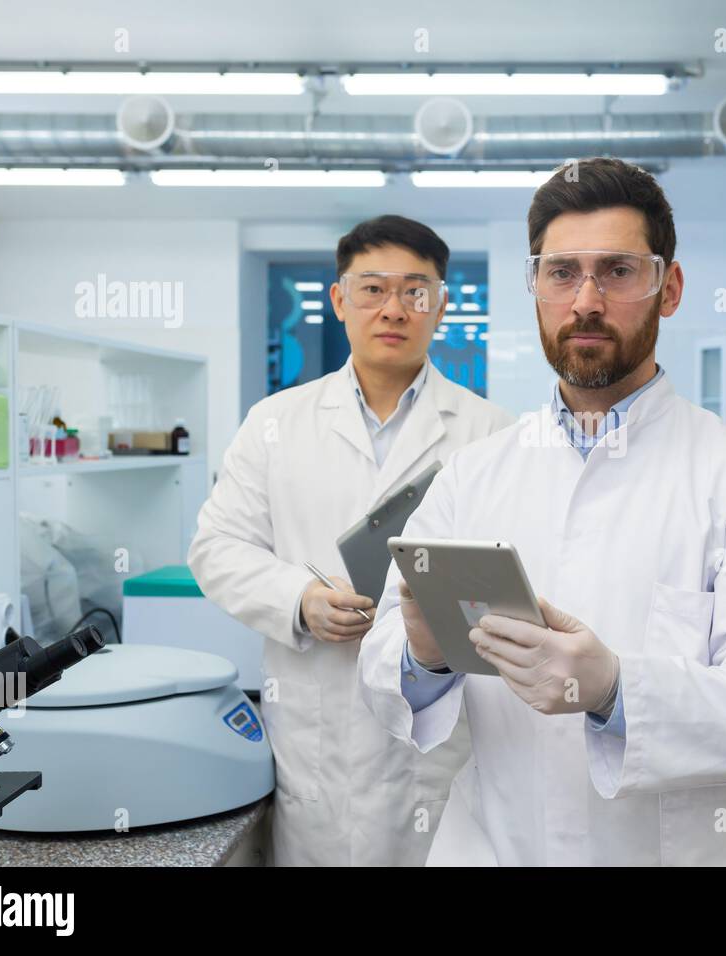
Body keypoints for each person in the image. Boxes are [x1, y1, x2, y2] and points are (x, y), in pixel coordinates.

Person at [358, 158, 726, 866]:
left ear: (668, 289)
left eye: (617, 271)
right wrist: (422, 655)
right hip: (496, 843)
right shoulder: (474, 474)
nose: (585, 300)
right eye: (561, 273)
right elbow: (382, 664)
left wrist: (614, 689)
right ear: (536, 287)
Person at [188, 215, 513, 865]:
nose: (394, 308)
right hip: (321, 729)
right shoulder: (275, 422)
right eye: (372, 289)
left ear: (441, 305)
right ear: (339, 300)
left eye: (416, 290)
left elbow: (514, 577)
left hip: (442, 732)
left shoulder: (490, 431)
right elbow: (217, 545)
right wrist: (300, 597)